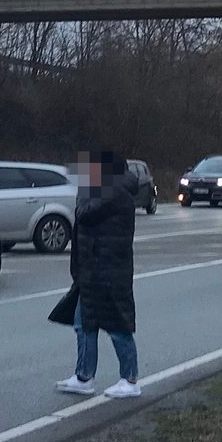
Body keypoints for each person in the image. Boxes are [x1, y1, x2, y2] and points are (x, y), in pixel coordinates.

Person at [50, 149, 140, 398]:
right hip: (92, 271)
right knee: (83, 324)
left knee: (118, 326)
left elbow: (84, 214)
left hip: (109, 272)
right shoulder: (104, 191)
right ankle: (84, 376)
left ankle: (130, 379)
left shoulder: (113, 193)